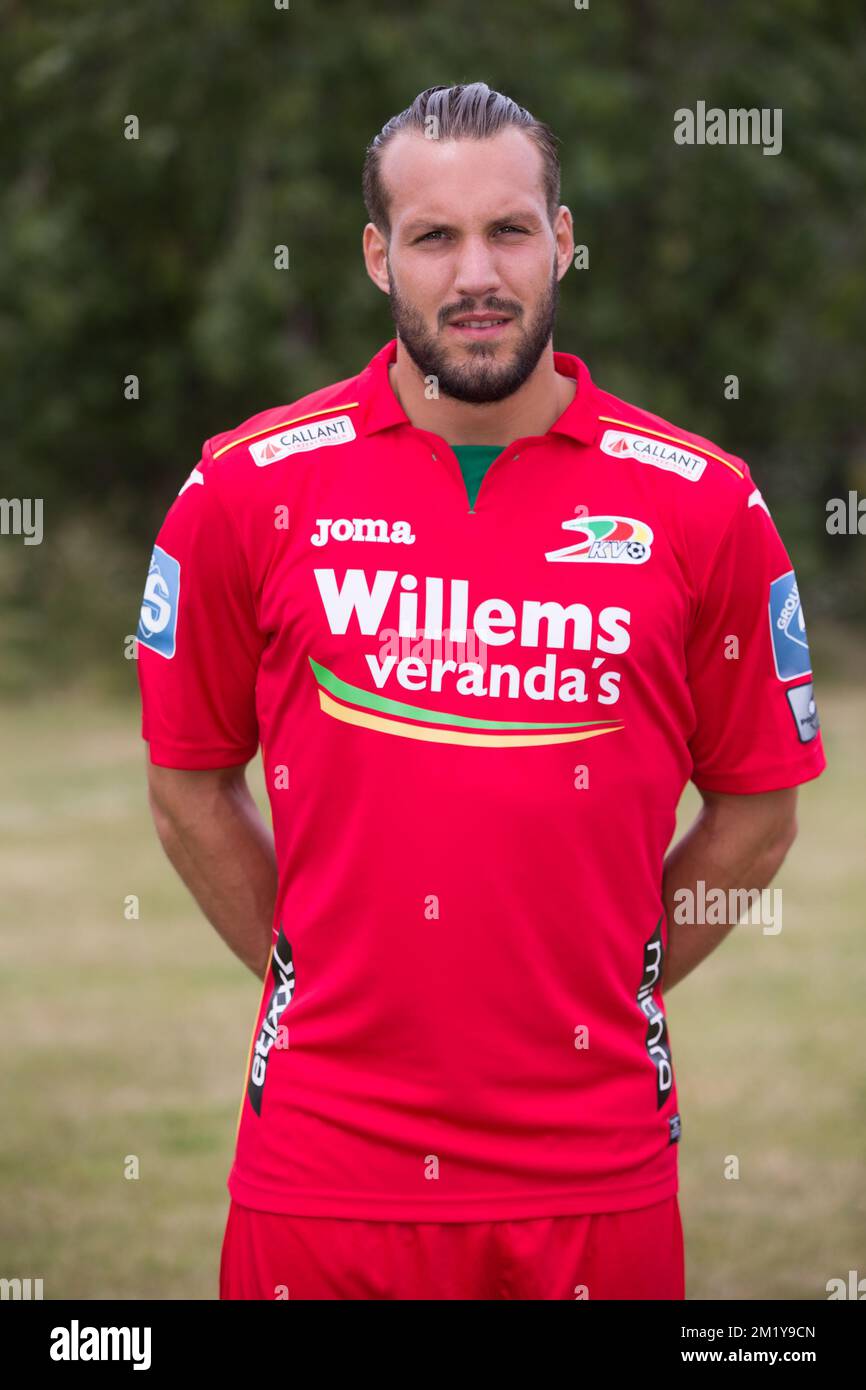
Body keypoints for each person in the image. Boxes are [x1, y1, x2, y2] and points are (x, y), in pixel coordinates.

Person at [136, 82, 826, 1300]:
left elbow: (757, 813)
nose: (476, 273)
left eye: (508, 230)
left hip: (591, 1168)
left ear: (562, 240)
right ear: (375, 256)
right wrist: (321, 978)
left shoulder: (701, 503)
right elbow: (188, 781)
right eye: (432, 236)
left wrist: (607, 976)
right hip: (322, 1166)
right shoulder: (243, 489)